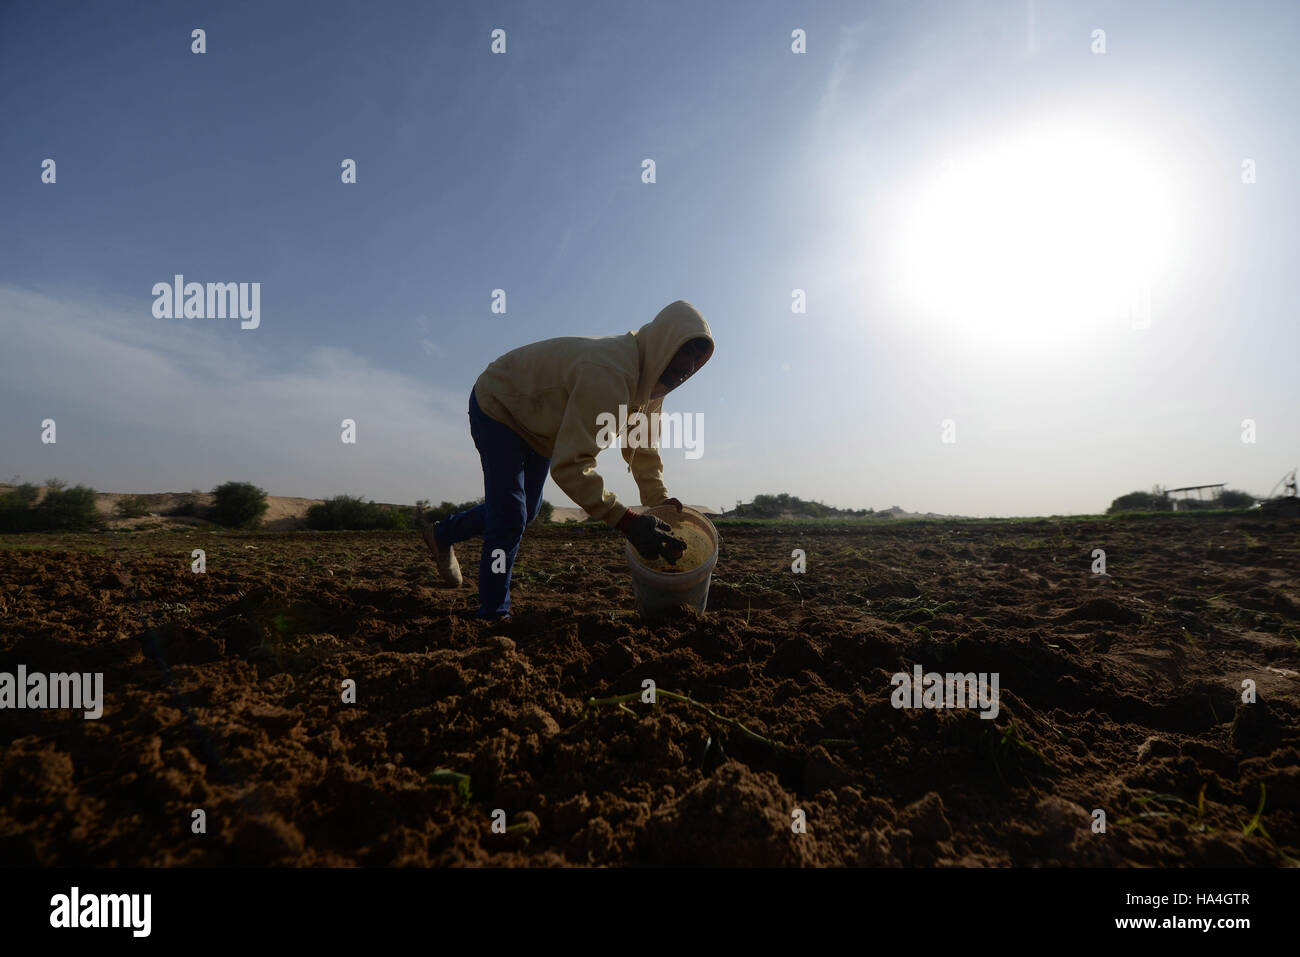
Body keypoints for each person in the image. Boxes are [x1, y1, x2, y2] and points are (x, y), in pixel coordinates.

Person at [420, 300, 714, 622]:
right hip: (501, 403)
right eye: (686, 352)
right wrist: (626, 521)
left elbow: (642, 447)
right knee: (509, 516)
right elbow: (571, 465)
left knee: (527, 511)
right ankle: (493, 615)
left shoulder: (651, 390)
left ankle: (443, 534)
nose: (689, 367)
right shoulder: (611, 374)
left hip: (544, 425)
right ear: (664, 341)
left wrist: (659, 504)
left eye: (698, 360)